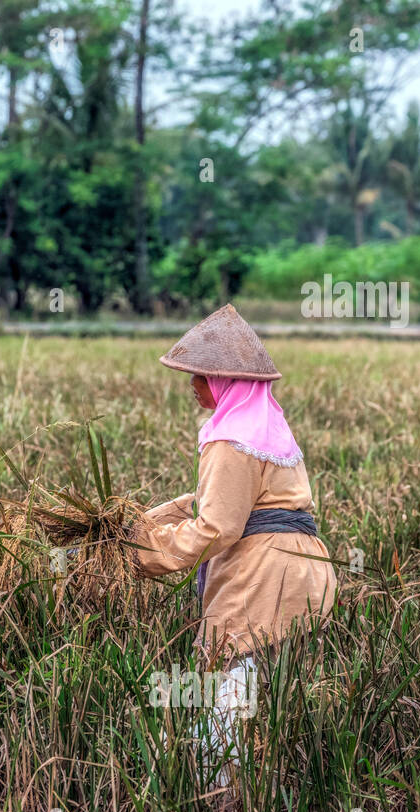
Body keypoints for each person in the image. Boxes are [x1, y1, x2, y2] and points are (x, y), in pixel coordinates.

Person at [136, 304, 337, 780]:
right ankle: (264, 787)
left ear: (224, 381)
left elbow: (217, 527)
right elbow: (217, 501)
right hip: (298, 570)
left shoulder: (230, 440)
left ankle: (215, 794)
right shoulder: (266, 430)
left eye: (199, 375)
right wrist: (142, 520)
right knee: (264, 691)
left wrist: (147, 553)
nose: (192, 384)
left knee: (229, 694)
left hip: (260, 577)